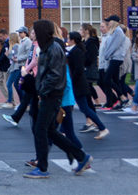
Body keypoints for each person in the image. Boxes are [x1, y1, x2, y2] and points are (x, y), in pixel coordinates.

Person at [24, 20, 92, 179]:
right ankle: (81, 157)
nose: (33, 33)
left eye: (35, 30)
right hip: (50, 94)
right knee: (50, 131)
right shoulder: (48, 48)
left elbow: (54, 75)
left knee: (41, 130)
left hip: (51, 95)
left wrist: (42, 90)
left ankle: (42, 168)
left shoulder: (53, 49)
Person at [67, 31, 107, 137]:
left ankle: (102, 127)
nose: (67, 41)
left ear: (73, 40)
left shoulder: (76, 51)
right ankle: (63, 129)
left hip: (79, 84)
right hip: (79, 83)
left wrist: (72, 80)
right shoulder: (76, 50)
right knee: (75, 107)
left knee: (83, 108)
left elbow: (78, 69)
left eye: (68, 39)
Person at [100, 15, 127, 109]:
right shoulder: (114, 31)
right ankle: (121, 101)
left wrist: (106, 55)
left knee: (107, 79)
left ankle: (122, 96)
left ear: (114, 22)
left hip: (116, 58)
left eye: (109, 21)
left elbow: (114, 46)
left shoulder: (118, 32)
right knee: (115, 80)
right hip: (113, 58)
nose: (108, 23)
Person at [0, 28, 12, 107]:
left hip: (6, 66)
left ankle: (10, 100)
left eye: (1, 36)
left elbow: (5, 56)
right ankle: (8, 99)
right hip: (2, 67)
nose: (0, 38)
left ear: (5, 35)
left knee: (7, 84)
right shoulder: (5, 43)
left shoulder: (8, 43)